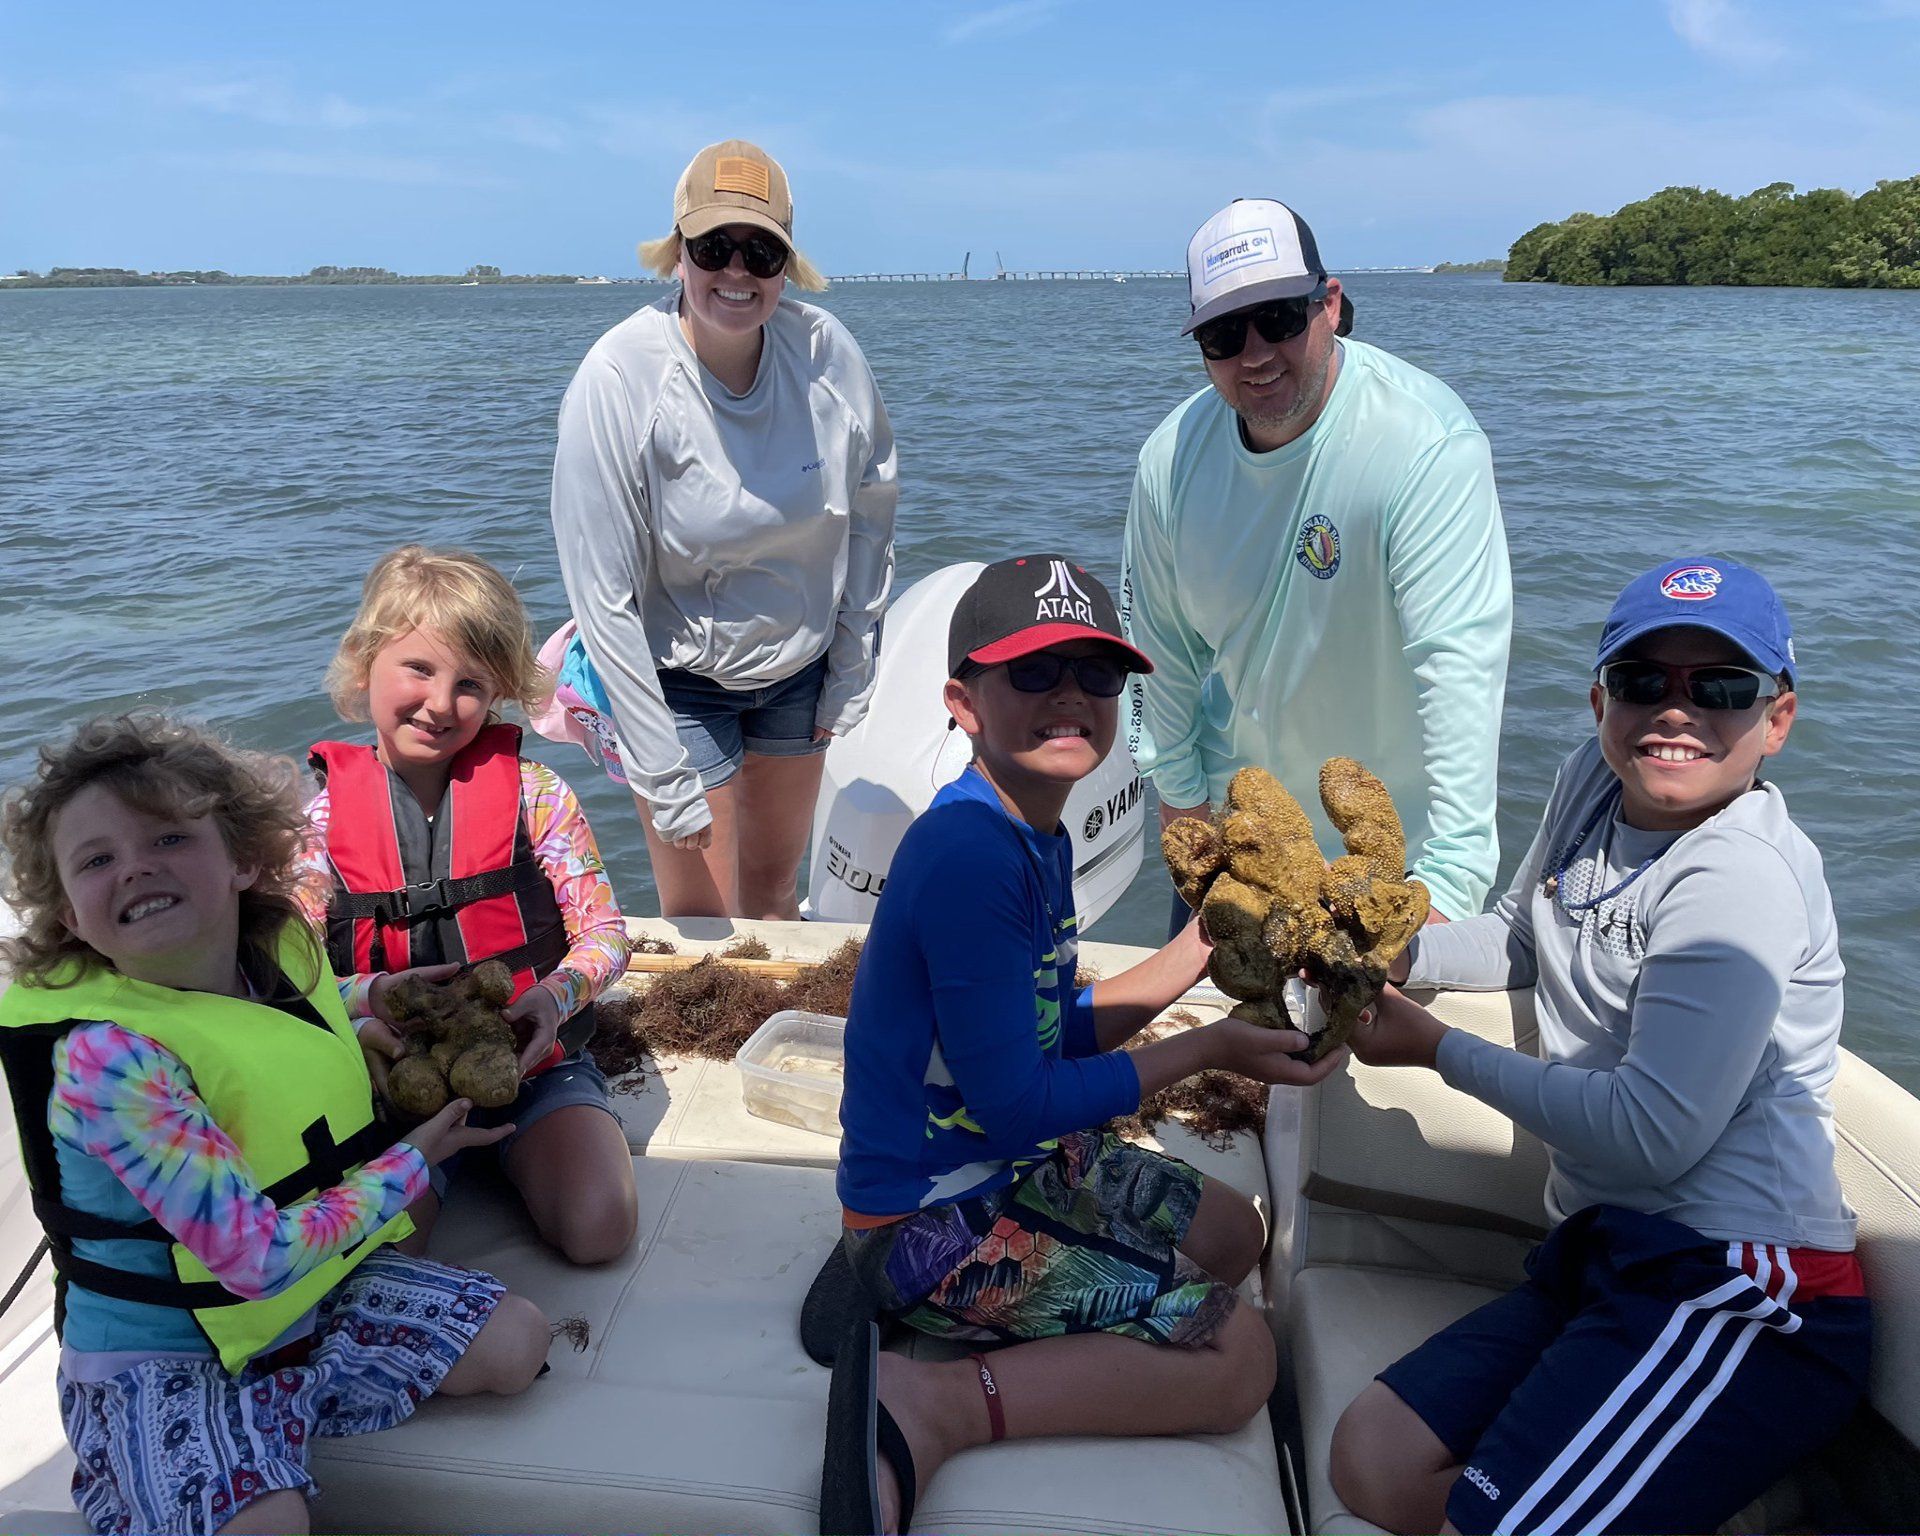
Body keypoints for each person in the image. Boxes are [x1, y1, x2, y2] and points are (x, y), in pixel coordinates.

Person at [1326, 558, 1869, 1536]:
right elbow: (1518, 938)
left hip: (1737, 1288)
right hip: (1610, 1254)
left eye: (1721, 688)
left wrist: (1435, 1048)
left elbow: (1652, 1136)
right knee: (1373, 1458)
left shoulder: (1737, 878)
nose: (1675, 712)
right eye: (1641, 681)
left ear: (1777, 719)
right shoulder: (1592, 780)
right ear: (1598, 699)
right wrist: (1396, 954)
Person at [821, 554, 1346, 1536]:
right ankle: (927, 1404)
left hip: (1008, 1168)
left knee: (1235, 1237)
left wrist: (1197, 946)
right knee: (1240, 1359)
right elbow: (1024, 1102)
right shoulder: (971, 854)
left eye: (1094, 673)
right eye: (1031, 672)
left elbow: (1052, 1034)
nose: (1068, 694)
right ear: (960, 702)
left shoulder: (1038, 832)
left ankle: (940, 1318)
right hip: (932, 1218)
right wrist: (1211, 1047)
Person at [0, 713, 552, 1536]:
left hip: (314, 1298)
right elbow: (252, 1260)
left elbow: (300, 1005)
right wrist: (412, 1161)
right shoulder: (109, 1062)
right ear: (70, 915)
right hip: (170, 1354)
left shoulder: (277, 941)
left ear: (245, 859)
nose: (135, 869)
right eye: (97, 860)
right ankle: (139, 1459)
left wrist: (379, 998)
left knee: (518, 1342)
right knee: (268, 1524)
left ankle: (278, 1413)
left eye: (168, 840)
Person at [1122, 197, 1512, 932]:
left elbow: (1458, 666)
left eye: (1279, 318)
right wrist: (1188, 831)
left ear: (1328, 304)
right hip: (1240, 848)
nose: (1255, 354)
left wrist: (1449, 887)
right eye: (1223, 333)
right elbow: (1159, 657)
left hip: (1391, 867)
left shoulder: (1426, 444)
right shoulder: (1169, 462)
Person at [546, 138, 897, 920]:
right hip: (675, 684)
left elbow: (873, 506)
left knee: (773, 903)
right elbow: (600, 597)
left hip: (799, 671)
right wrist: (660, 768)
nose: (736, 272)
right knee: (705, 923)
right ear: (679, 254)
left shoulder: (827, 353)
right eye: (714, 248)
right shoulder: (619, 377)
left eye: (761, 252)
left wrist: (852, 659)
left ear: (786, 267)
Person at [302, 546, 637, 1266]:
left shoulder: (537, 794)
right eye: (419, 669)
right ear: (365, 667)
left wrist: (554, 998)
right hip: (395, 1087)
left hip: (536, 1065)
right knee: (375, 1261)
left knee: (600, 1228)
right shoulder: (319, 827)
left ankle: (534, 1148)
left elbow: (605, 934)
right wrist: (369, 997)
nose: (439, 702)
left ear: (498, 696)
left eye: (470, 684)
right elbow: (284, 982)